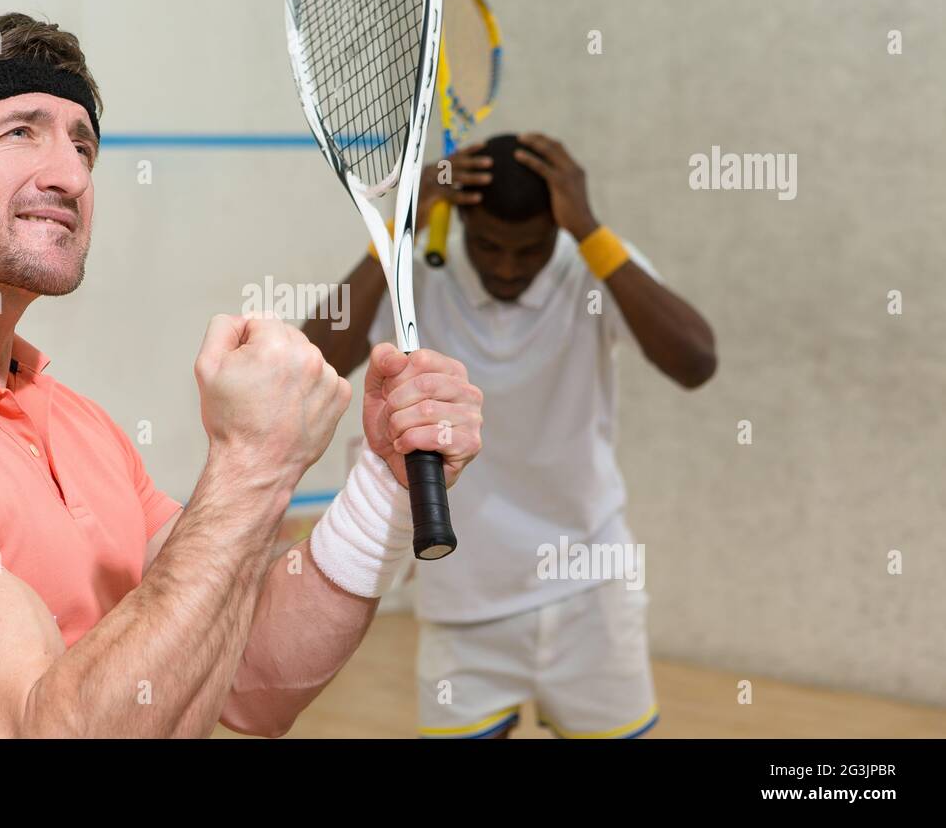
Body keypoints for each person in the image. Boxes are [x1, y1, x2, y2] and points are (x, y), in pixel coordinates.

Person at [0, 13, 483, 738]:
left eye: (83, 146)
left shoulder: (72, 422)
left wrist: (381, 488)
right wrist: (253, 466)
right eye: (21, 133)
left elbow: (248, 676)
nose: (72, 177)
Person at [304, 132, 717, 738]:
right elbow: (316, 361)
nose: (506, 267)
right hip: (462, 599)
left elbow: (696, 361)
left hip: (591, 593)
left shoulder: (591, 267)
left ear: (560, 226)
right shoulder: (419, 274)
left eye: (529, 250)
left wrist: (591, 231)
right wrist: (399, 227)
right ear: (462, 220)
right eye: (490, 245)